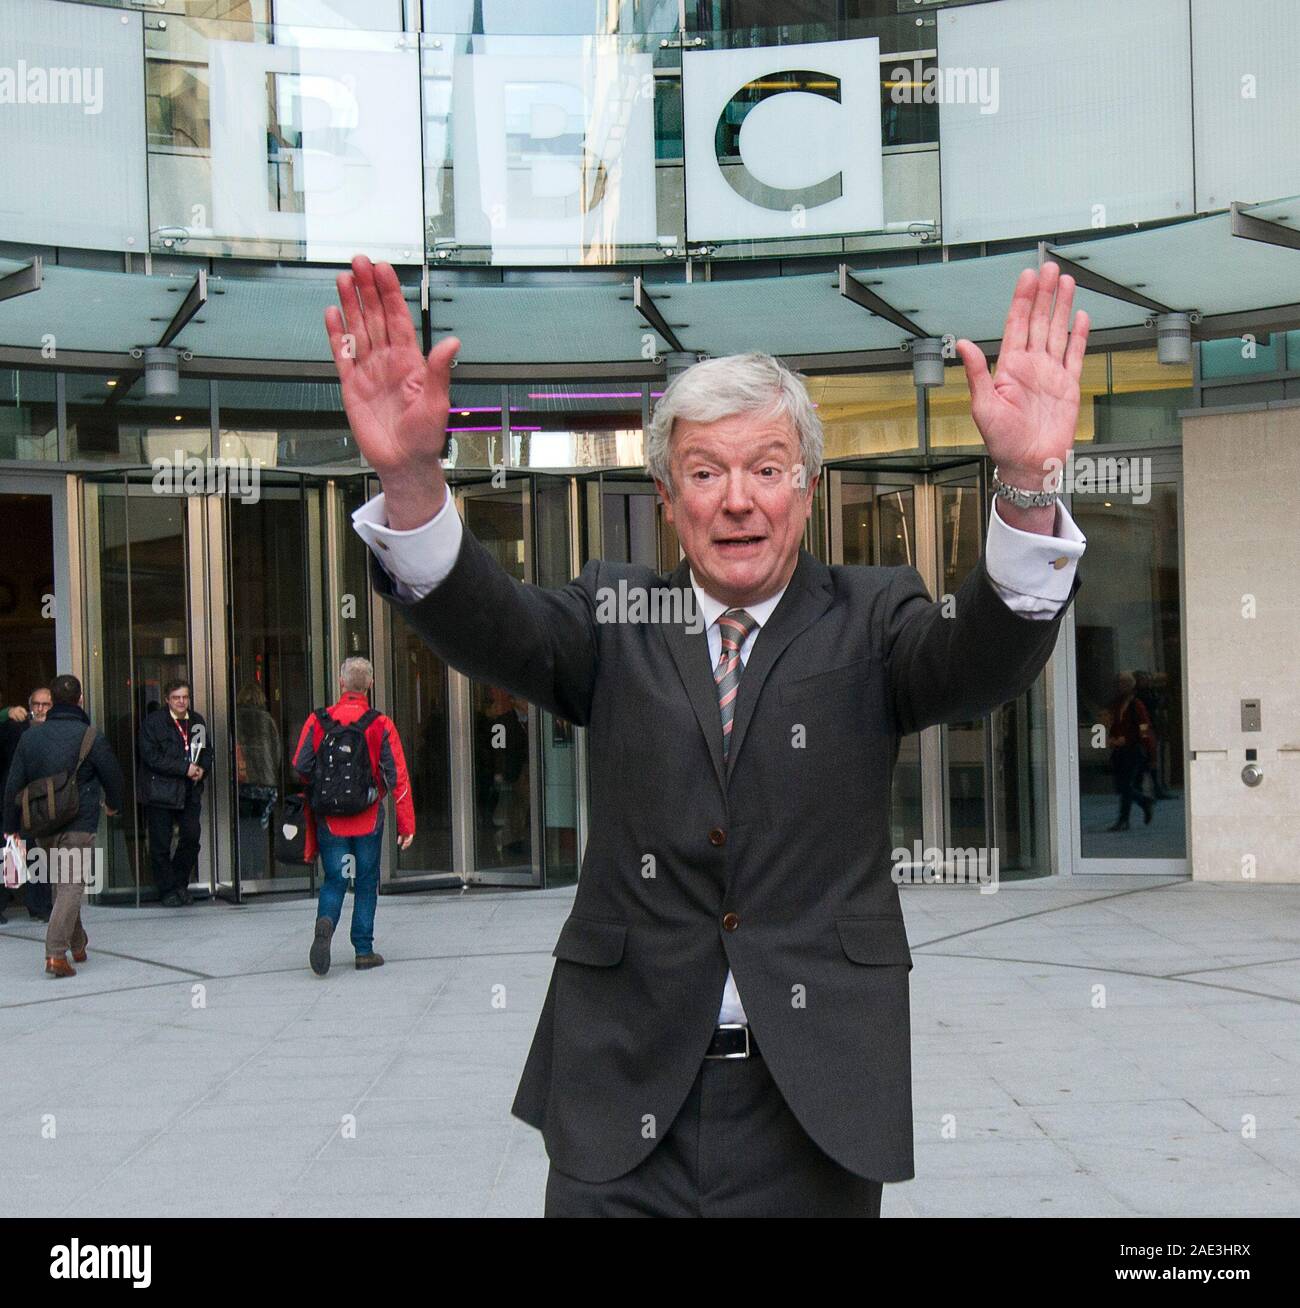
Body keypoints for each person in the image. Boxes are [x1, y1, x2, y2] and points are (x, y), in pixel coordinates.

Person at [327, 254, 1088, 1217]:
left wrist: (1024, 482)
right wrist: (409, 479)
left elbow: (982, 661)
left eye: (766, 469)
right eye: (706, 472)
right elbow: (491, 622)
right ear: (668, 495)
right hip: (621, 1100)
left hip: (811, 1109)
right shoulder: (614, 614)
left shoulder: (874, 616)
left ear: (805, 488)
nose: (738, 498)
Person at [291, 656, 415, 975]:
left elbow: (300, 765)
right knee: (366, 880)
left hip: (330, 819)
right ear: (370, 685)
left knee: (334, 879)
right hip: (368, 817)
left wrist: (323, 790)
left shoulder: (318, 720)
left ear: (341, 683)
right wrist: (406, 824)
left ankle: (326, 924)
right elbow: (397, 775)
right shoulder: (380, 723)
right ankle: (363, 950)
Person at [2, 674, 124, 977]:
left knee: (63, 885)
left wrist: (10, 826)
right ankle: (56, 954)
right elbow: (114, 776)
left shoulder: (30, 738)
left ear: (52, 703)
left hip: (44, 823)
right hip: (79, 821)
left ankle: (78, 944)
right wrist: (113, 805)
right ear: (80, 700)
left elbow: (12, 784)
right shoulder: (90, 736)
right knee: (70, 886)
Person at [138, 679, 212, 906]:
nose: (182, 702)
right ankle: (168, 890)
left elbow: (205, 751)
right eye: (177, 698)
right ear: (167, 699)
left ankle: (179, 884)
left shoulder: (197, 721)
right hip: (161, 792)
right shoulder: (154, 722)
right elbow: (151, 757)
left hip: (189, 792)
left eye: (185, 697)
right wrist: (184, 768)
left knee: (191, 838)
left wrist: (202, 769)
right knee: (160, 844)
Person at [0, 686, 53, 921]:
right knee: (7, 850)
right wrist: (6, 713)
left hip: (43, 800)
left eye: (46, 704)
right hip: (13, 797)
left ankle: (40, 907)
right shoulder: (13, 727)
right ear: (29, 706)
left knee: (38, 852)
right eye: (36, 704)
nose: (40, 709)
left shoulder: (59, 730)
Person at [1105, 671, 1155, 831]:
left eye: (1122, 683)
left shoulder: (1136, 704)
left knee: (1126, 785)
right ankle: (1143, 802)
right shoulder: (1116, 703)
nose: (1120, 686)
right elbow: (1109, 723)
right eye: (1119, 683)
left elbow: (1144, 727)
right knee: (1122, 786)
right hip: (1119, 750)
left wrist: (1148, 748)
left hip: (1132, 749)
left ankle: (1124, 820)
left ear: (1130, 685)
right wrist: (1107, 740)